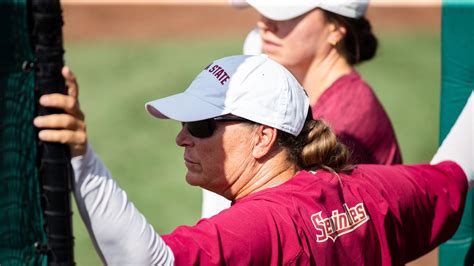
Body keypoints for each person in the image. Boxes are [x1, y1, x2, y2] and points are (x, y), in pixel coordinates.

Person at [34, 55, 472, 265]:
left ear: (263, 136)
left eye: (202, 125)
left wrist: (80, 158)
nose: (181, 138)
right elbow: (456, 171)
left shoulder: (264, 227)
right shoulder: (370, 191)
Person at [202, 0, 403, 218]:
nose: (264, 24)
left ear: (335, 30)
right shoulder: (309, 97)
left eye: (284, 14)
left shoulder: (343, 119)